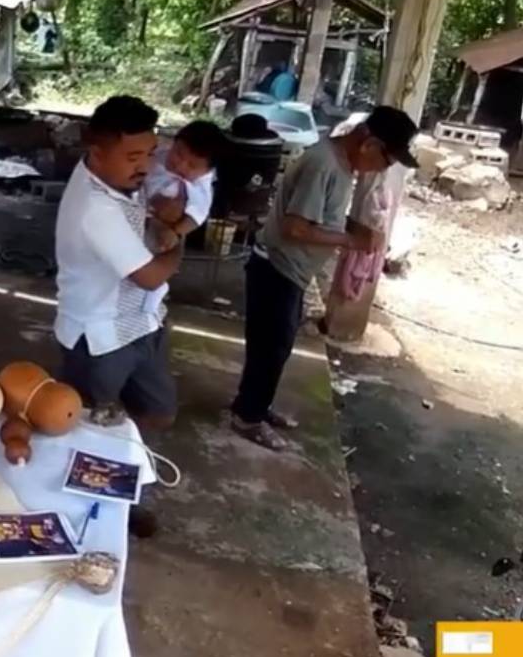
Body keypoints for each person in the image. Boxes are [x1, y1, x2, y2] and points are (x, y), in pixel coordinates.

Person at [230, 106, 417, 449]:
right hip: (277, 266)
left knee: (274, 347)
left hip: (291, 270)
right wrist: (352, 240)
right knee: (270, 348)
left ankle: (255, 405)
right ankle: (248, 417)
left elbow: (321, 216)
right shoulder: (324, 163)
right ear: (369, 144)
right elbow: (296, 227)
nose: (384, 168)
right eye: (387, 159)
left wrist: (352, 226)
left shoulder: (341, 165)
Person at [55, 95, 184, 435]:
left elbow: (141, 215)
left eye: (149, 153)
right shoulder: (96, 210)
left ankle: (127, 451)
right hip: (97, 336)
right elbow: (151, 277)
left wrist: (156, 223)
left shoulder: (116, 177)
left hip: (140, 322)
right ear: (97, 152)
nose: (144, 166)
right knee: (83, 428)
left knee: (158, 412)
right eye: (132, 157)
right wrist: (177, 239)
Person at [143, 120, 228, 252]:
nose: (180, 165)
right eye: (178, 154)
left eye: (192, 166)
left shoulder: (200, 184)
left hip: (162, 234)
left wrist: (176, 232)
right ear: (174, 142)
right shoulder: (154, 155)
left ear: (207, 171)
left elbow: (198, 214)